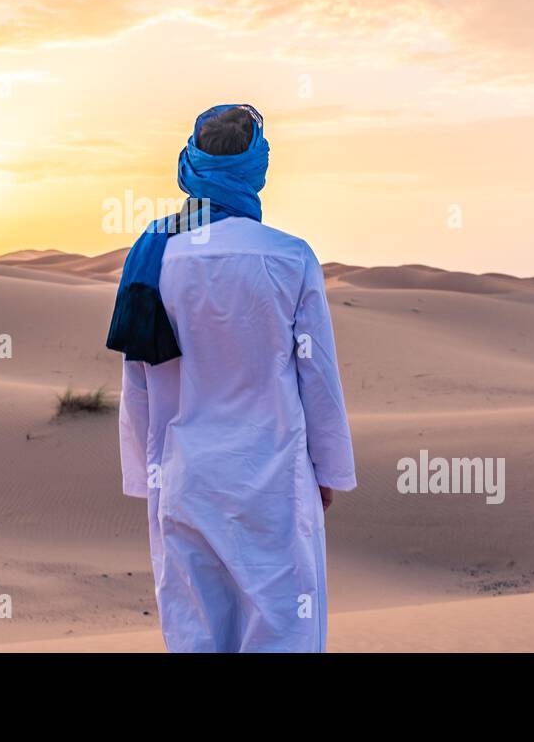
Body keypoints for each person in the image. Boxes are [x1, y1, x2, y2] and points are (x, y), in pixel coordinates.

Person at [107, 103, 356, 652]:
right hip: (274, 483)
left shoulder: (155, 254)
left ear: (190, 164)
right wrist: (328, 473)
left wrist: (147, 476)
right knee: (282, 632)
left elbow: (139, 381)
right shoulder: (291, 257)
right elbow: (318, 378)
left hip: (185, 479)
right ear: (257, 167)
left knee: (196, 634)